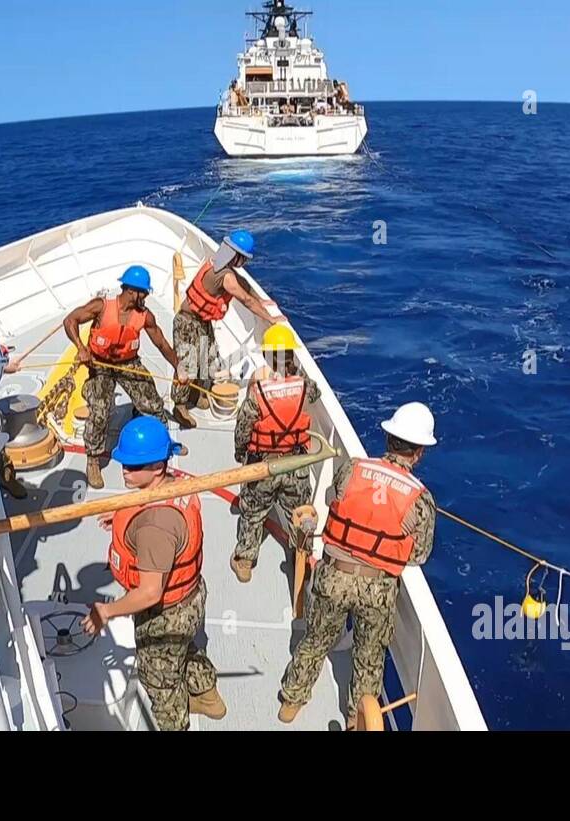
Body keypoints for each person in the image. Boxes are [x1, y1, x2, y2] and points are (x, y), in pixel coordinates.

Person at [278, 403, 439, 725]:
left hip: (334, 575)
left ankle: (291, 701)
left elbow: (331, 500)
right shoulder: (421, 499)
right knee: (369, 657)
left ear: (388, 437)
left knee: (315, 639)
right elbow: (419, 554)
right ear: (419, 452)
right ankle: (356, 719)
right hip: (376, 590)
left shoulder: (352, 468)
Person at [81, 416, 225, 730]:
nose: (125, 470)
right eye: (124, 463)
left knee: (160, 678)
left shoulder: (155, 527)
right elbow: (149, 507)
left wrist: (106, 611)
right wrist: (121, 514)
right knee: (185, 649)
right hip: (191, 597)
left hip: (166, 612)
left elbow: (149, 593)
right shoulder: (173, 482)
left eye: (134, 466)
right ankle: (208, 696)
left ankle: (176, 723)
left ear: (158, 467)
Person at [63, 265, 186, 489]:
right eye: (144, 292)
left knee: (152, 404)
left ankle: (163, 443)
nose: (146, 296)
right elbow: (69, 321)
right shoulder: (100, 307)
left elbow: (161, 343)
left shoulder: (145, 316)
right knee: (100, 411)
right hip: (100, 365)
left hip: (128, 363)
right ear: (132, 291)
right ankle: (93, 458)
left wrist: (179, 367)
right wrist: (81, 348)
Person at [230, 324, 319, 583]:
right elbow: (315, 392)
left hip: (264, 467)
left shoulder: (258, 393)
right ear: (291, 356)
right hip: (297, 465)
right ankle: (300, 557)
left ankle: (245, 560)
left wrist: (240, 455)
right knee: (299, 513)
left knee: (254, 513)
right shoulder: (305, 386)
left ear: (268, 357)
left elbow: (243, 427)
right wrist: (293, 373)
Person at [171, 230, 278, 429]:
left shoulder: (219, 263)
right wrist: (269, 318)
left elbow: (244, 286)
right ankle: (179, 406)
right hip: (187, 322)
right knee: (188, 365)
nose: (244, 263)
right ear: (235, 255)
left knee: (209, 359)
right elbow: (245, 299)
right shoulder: (225, 276)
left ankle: (196, 394)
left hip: (202, 322)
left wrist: (262, 300)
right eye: (244, 258)